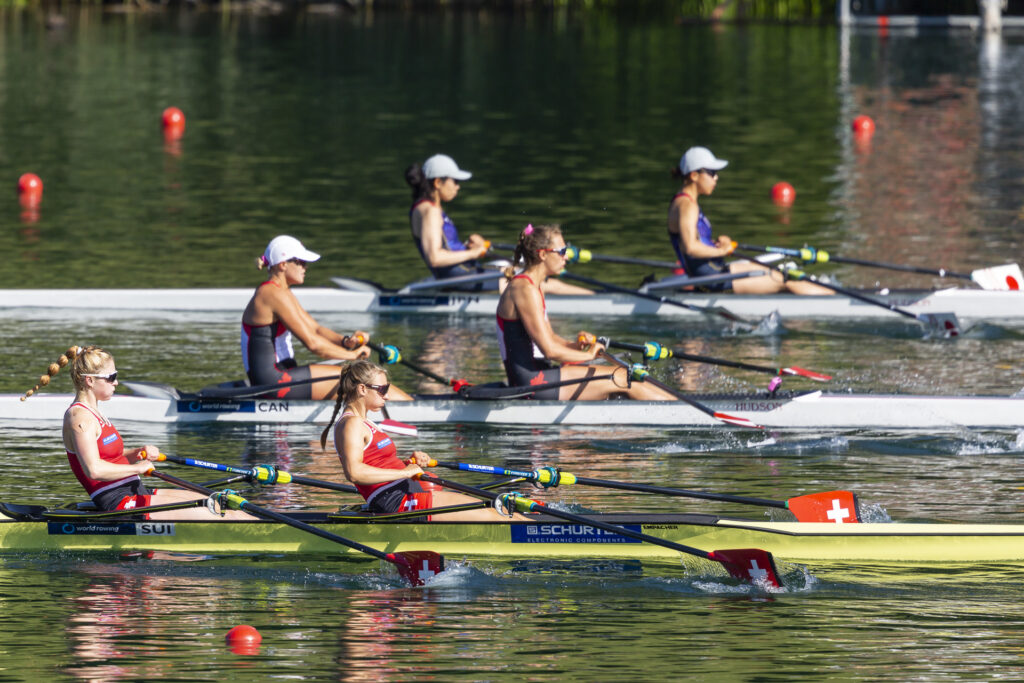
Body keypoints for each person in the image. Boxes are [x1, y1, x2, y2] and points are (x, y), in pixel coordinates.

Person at [23, 345, 254, 520]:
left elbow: (112, 458)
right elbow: (93, 470)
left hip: (134, 489)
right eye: (111, 377)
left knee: (214, 502)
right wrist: (137, 468)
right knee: (213, 512)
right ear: (90, 381)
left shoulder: (95, 411)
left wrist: (138, 453)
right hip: (118, 502)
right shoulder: (79, 418)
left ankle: (261, 525)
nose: (116, 382)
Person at [322, 360, 528, 521]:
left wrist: (408, 463)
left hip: (405, 491)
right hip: (397, 501)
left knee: (498, 510)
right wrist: (404, 472)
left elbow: (375, 463)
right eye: (383, 389)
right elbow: (354, 473)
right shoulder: (351, 424)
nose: (387, 396)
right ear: (362, 389)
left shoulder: (365, 422)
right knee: (498, 514)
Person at [495, 224, 677, 401]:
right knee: (625, 378)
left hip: (540, 373)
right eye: (562, 252)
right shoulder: (524, 289)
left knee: (626, 377)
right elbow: (549, 350)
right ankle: (681, 413)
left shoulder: (534, 286)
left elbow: (552, 338)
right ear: (543, 254)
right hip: (531, 383)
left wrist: (577, 346)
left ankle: (675, 406)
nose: (566, 258)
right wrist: (589, 355)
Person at [242, 235, 411, 401]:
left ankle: (405, 404)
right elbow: (313, 344)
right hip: (274, 382)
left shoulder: (283, 292)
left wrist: (347, 342)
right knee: (360, 379)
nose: (305, 267)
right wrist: (352, 356)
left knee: (363, 380)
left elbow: (316, 329)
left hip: (282, 375)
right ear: (283, 264)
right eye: (300, 262)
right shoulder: (271, 293)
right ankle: (411, 408)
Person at [405, 154, 591, 295]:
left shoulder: (425, 209)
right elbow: (435, 258)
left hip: (461, 272)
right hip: (458, 277)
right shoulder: (430, 211)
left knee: (524, 272)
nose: (458, 186)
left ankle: (592, 297)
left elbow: (445, 247)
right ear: (438, 182)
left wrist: (469, 246)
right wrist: (474, 252)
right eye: (455, 181)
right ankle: (595, 298)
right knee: (533, 277)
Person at [668, 146, 833, 295]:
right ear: (694, 175)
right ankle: (835, 301)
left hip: (713, 272)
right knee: (784, 279)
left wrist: (714, 243)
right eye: (712, 173)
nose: (716, 178)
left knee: (777, 272)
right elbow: (690, 247)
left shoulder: (684, 202)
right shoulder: (687, 206)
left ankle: (828, 295)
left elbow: (693, 242)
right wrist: (722, 251)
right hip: (711, 279)